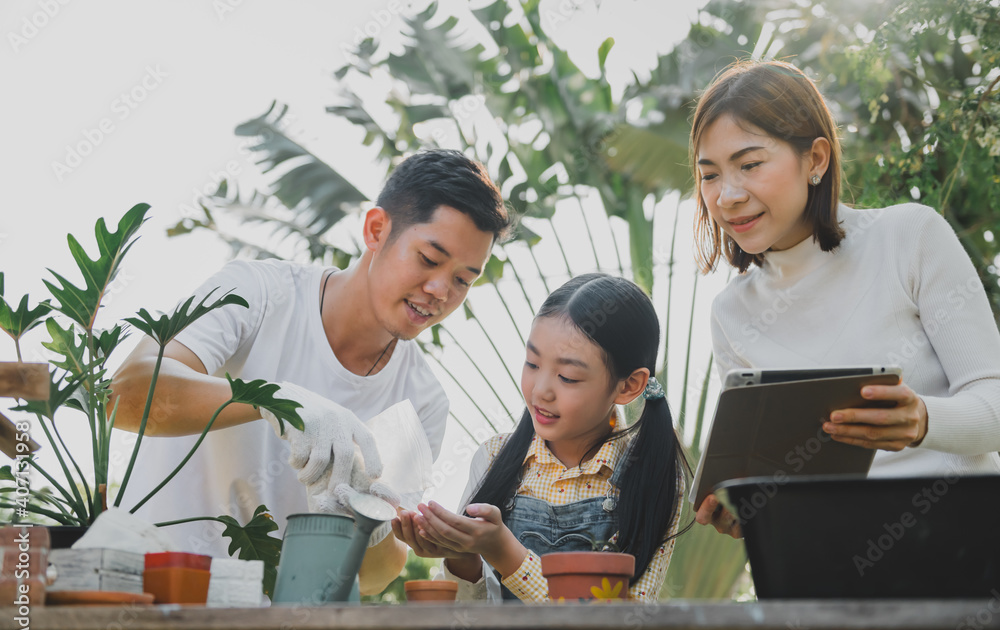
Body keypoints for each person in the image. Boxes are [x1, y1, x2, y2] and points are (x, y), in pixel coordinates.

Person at [110, 149, 513, 594]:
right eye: (429, 259)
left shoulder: (422, 400)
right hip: (144, 603)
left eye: (463, 279)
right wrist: (274, 400)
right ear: (376, 230)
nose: (440, 290)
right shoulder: (256, 293)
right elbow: (126, 395)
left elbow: (376, 578)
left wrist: (370, 519)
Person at [688, 60, 1000, 537]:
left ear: (815, 159)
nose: (726, 196)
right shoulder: (730, 314)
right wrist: (754, 513)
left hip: (964, 543)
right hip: (836, 567)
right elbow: (788, 484)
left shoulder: (909, 236)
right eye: (709, 175)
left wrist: (922, 420)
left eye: (750, 165)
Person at [392, 273, 689, 602]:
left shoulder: (652, 474)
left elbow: (618, 624)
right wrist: (463, 558)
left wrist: (505, 551)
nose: (541, 390)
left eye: (567, 376)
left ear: (628, 385)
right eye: (532, 363)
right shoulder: (495, 458)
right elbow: (471, 621)